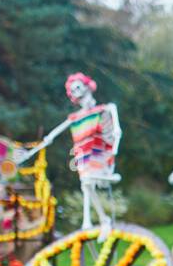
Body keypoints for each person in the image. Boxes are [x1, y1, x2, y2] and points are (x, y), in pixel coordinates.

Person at [19, 72, 122, 239]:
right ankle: (97, 221)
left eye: (78, 87)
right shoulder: (75, 118)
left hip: (99, 153)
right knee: (86, 183)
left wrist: (115, 146)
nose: (77, 91)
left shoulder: (105, 109)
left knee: (88, 182)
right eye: (73, 90)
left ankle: (97, 219)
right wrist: (35, 148)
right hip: (83, 154)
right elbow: (53, 135)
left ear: (88, 86)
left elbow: (116, 130)